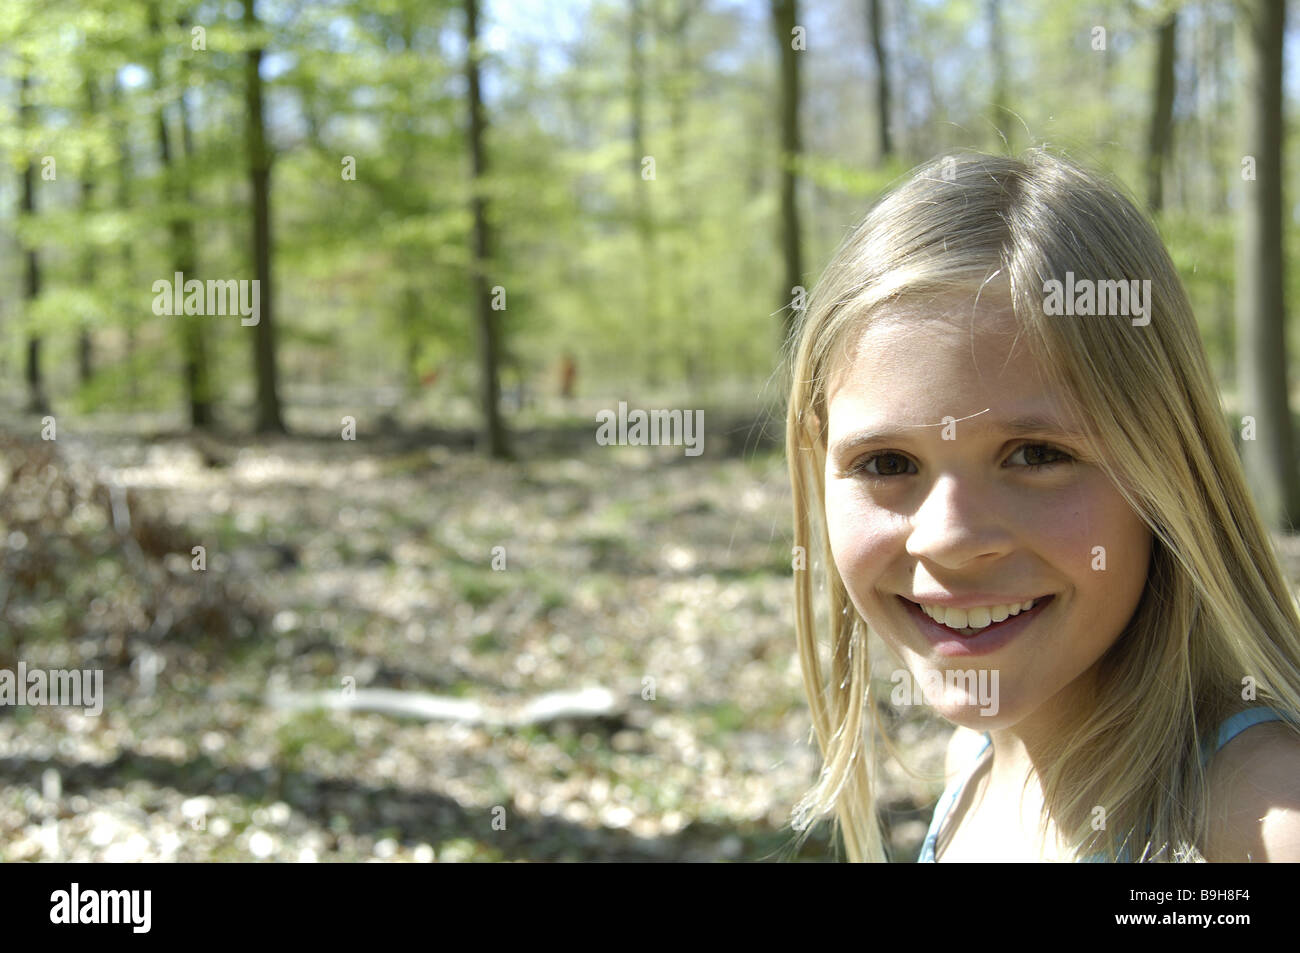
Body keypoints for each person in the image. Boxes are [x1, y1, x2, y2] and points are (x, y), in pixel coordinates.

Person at [783, 149, 1300, 862]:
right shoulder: (972, 760)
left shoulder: (1258, 822)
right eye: (888, 463)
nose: (951, 538)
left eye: (1034, 454)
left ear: (1170, 469)